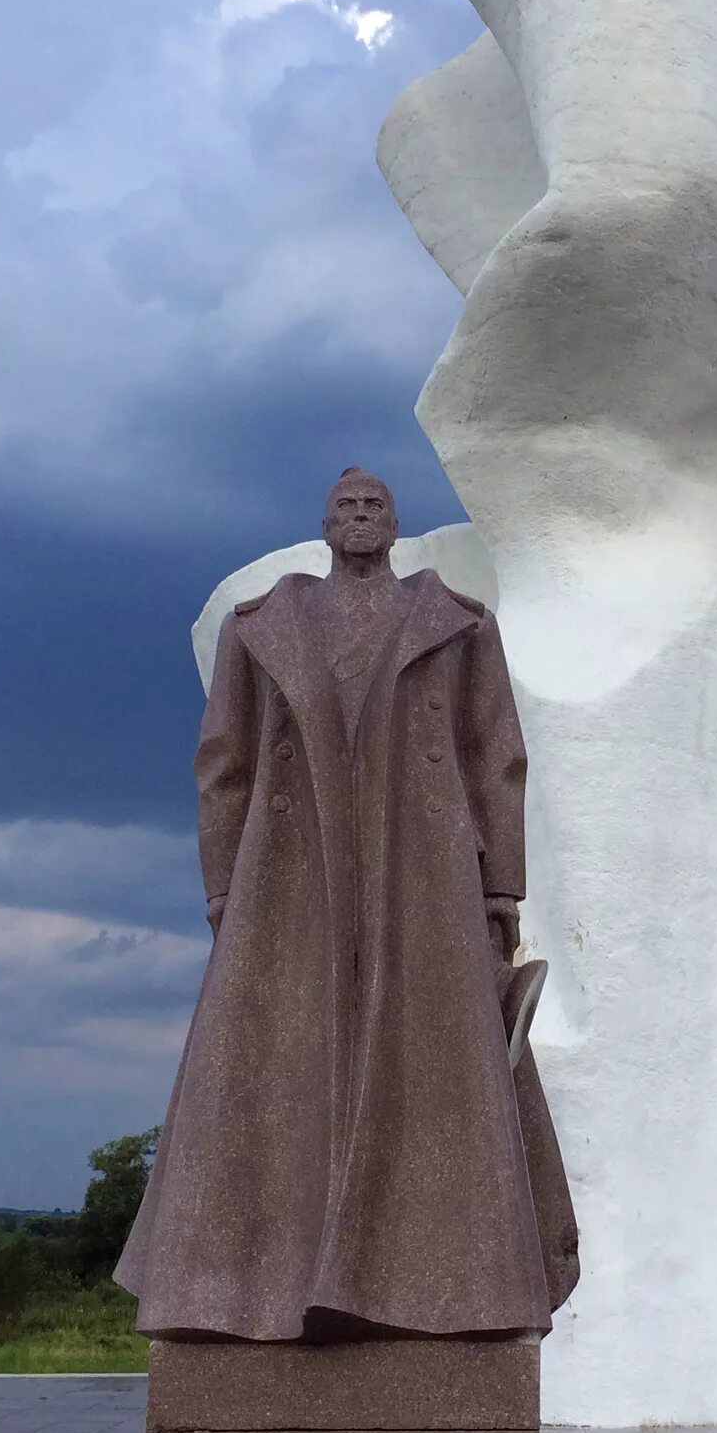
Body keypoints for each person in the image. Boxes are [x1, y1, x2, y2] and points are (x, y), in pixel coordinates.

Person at [116, 468, 577, 1340]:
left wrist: (501, 885)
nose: (361, 517)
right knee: (274, 1067)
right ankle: (242, 1284)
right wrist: (223, 887)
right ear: (323, 525)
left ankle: (445, 1285)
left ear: (395, 526)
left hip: (425, 874)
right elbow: (225, 765)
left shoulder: (460, 625)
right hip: (290, 876)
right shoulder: (260, 631)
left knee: (436, 1070)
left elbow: (497, 759)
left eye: (375, 506)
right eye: (346, 507)